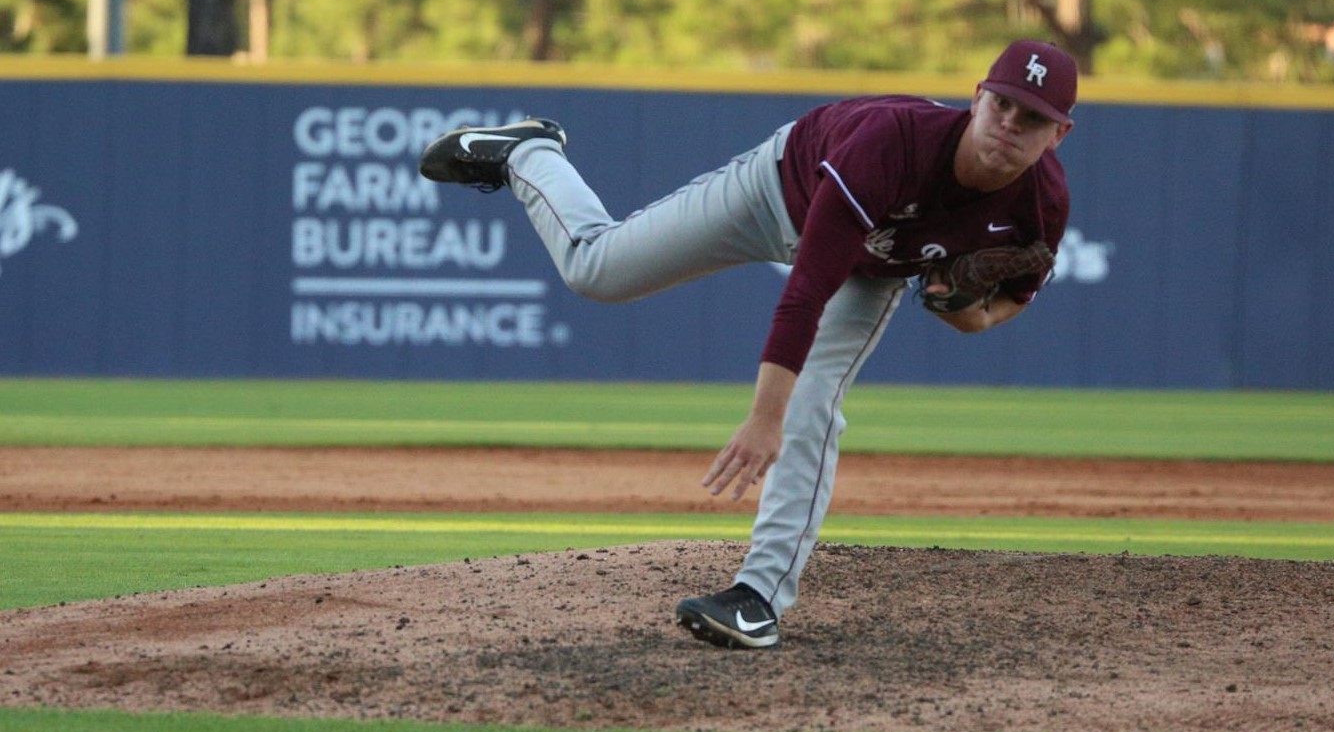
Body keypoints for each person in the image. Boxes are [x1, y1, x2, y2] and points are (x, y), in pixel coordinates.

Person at [419, 39, 1077, 649]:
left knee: (815, 402)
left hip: (873, 271)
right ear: (977, 97)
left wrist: (956, 306)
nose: (1010, 125)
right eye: (1003, 104)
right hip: (778, 192)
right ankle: (531, 152)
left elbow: (992, 314)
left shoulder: (1042, 204)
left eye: (1033, 117)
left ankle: (757, 596)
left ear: (1059, 134)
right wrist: (764, 418)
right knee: (599, 269)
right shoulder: (892, 142)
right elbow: (804, 292)